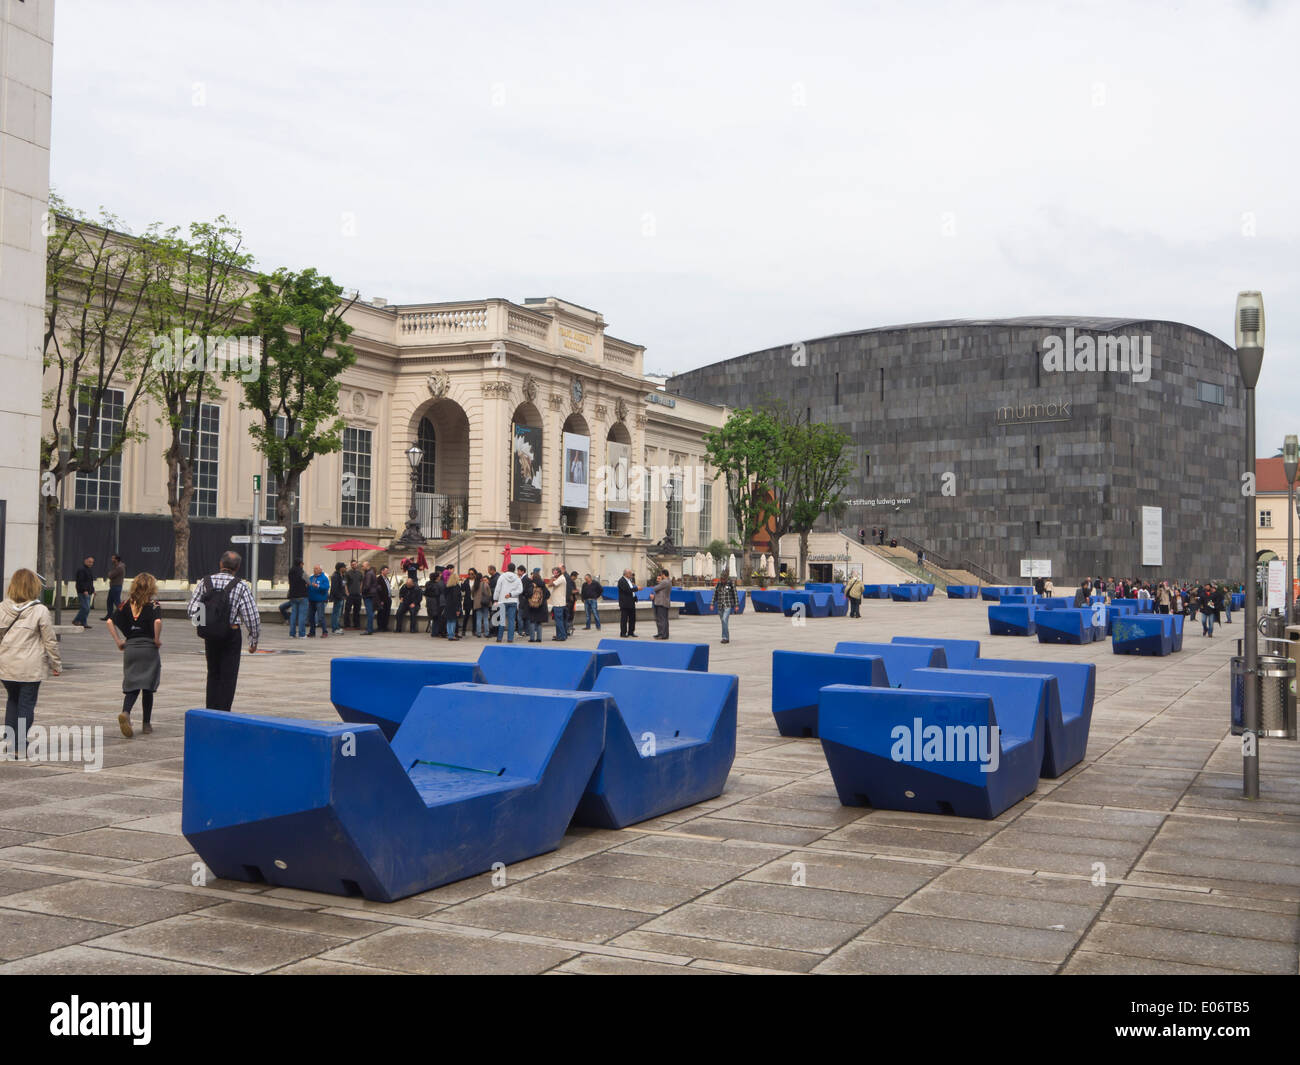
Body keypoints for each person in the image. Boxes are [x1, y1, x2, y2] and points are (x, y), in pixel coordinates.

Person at [187, 551, 259, 712]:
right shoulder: (240, 586)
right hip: (231, 635)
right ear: (238, 567)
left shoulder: (205, 582)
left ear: (221, 564)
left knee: (213, 673)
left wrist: (206, 624)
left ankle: (211, 710)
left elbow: (192, 610)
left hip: (211, 635)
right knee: (228, 676)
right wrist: (253, 641)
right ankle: (223, 711)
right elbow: (252, 616)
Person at [0, 569, 61, 759]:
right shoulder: (40, 610)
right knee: (26, 704)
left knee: (12, 700)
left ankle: (10, 741)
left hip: (7, 664)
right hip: (30, 667)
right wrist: (56, 664)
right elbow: (49, 640)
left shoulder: (2, 607)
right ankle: (19, 746)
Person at [107, 572, 162, 738]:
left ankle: (126, 712)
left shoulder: (124, 605)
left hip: (130, 648)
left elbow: (110, 621)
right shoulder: (153, 605)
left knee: (132, 684)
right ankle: (146, 724)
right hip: (148, 648)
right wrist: (157, 639)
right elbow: (157, 622)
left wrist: (118, 641)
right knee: (148, 687)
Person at [493, 564, 522, 642]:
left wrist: (495, 599)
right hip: (513, 600)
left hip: (503, 600)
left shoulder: (502, 576)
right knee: (511, 621)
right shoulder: (517, 578)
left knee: (502, 620)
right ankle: (510, 638)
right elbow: (520, 590)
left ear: (507, 568)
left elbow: (497, 589)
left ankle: (499, 638)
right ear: (514, 569)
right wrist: (511, 594)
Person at [287, 558, 310, 638]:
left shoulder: (290, 571)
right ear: (301, 564)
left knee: (293, 615)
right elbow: (308, 581)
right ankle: (302, 634)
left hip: (293, 595)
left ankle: (292, 634)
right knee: (302, 616)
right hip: (302, 595)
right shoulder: (302, 572)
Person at [72, 555, 96, 628]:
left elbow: (90, 582)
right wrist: (84, 590)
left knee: (86, 608)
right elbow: (81, 581)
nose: (90, 563)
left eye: (92, 562)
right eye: (89, 562)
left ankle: (83, 622)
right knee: (85, 608)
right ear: (85, 561)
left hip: (88, 591)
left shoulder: (89, 570)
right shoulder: (82, 570)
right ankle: (76, 620)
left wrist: (93, 590)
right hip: (82, 591)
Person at [715, 569, 738, 644]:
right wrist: (712, 603)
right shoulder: (718, 584)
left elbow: (735, 594)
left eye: (723, 579)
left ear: (726, 579)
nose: (722, 580)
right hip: (720, 605)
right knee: (723, 622)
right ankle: (726, 637)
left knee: (724, 620)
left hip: (728, 605)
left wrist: (736, 605)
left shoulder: (731, 584)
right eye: (721, 579)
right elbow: (715, 594)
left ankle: (724, 637)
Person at [307, 564, 330, 637]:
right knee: (311, 616)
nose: (314, 570)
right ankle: (312, 632)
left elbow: (326, 587)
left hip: (320, 600)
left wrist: (318, 586)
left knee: (320, 616)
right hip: (311, 599)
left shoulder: (324, 578)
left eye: (316, 569)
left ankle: (325, 632)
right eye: (314, 569)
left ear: (320, 570)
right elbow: (309, 586)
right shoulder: (311, 577)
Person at [527, 567, 549, 642]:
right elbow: (548, 594)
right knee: (539, 622)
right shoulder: (543, 585)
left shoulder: (531, 584)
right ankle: (539, 638)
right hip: (541, 606)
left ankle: (532, 638)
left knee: (532, 621)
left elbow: (528, 593)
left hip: (532, 606)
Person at [102, 554, 126, 620]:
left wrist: (110, 573)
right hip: (114, 586)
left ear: (116, 559)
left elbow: (110, 575)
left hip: (116, 586)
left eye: (113, 558)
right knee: (109, 601)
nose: (111, 559)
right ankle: (109, 615)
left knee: (117, 602)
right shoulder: (116, 566)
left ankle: (123, 615)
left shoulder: (119, 567)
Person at [548, 567, 569, 641]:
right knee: (558, 621)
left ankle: (562, 636)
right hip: (557, 603)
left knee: (559, 621)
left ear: (558, 573)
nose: (553, 574)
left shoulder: (561, 578)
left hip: (559, 603)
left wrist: (552, 578)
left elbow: (550, 584)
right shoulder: (560, 578)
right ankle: (559, 635)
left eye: (555, 572)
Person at [440, 572, 462, 640]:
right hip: (454, 606)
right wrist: (458, 609)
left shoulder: (447, 587)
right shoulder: (456, 587)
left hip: (448, 605)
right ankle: (452, 635)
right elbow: (457, 599)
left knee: (449, 621)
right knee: (453, 621)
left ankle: (449, 635)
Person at [359, 561, 379, 635]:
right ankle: (369, 629)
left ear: (367, 566)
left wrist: (362, 592)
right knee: (370, 612)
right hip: (371, 595)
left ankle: (369, 629)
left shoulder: (369, 574)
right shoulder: (371, 573)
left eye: (363, 566)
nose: (362, 567)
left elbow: (367, 586)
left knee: (369, 613)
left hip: (368, 595)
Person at [617, 569, 638, 637]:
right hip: (625, 603)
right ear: (626, 574)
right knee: (624, 619)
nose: (631, 574)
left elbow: (631, 591)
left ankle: (631, 632)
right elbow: (627, 590)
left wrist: (635, 598)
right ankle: (623, 633)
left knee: (632, 618)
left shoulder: (629, 580)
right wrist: (637, 589)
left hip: (631, 602)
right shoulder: (621, 581)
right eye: (630, 573)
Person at [652, 569, 672, 639]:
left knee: (661, 619)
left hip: (661, 602)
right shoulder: (669, 581)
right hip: (665, 602)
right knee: (664, 619)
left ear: (663, 574)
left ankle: (662, 634)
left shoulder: (664, 582)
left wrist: (658, 584)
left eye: (661, 574)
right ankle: (664, 634)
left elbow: (655, 588)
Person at [329, 562, 347, 634]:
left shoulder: (342, 575)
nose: (345, 568)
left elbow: (343, 585)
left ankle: (337, 626)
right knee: (336, 613)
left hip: (341, 597)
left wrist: (344, 595)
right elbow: (334, 588)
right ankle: (335, 628)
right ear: (341, 568)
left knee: (338, 613)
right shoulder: (335, 576)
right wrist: (340, 596)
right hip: (338, 597)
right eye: (344, 567)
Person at [344, 560, 362, 629]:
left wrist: (360, 591)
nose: (354, 565)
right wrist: (347, 592)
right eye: (352, 564)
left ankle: (356, 625)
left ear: (357, 564)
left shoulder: (360, 573)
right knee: (347, 610)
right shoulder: (347, 573)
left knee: (357, 610)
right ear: (351, 565)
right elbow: (344, 583)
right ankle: (347, 625)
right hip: (350, 595)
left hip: (358, 595)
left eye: (355, 564)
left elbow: (361, 582)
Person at [375, 565, 393, 632]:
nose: (387, 571)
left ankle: (385, 626)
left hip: (388, 599)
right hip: (382, 600)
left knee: (387, 613)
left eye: (388, 570)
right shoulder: (379, 579)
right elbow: (378, 591)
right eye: (386, 570)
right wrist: (380, 600)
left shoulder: (387, 578)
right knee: (381, 613)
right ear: (382, 571)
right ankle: (380, 627)